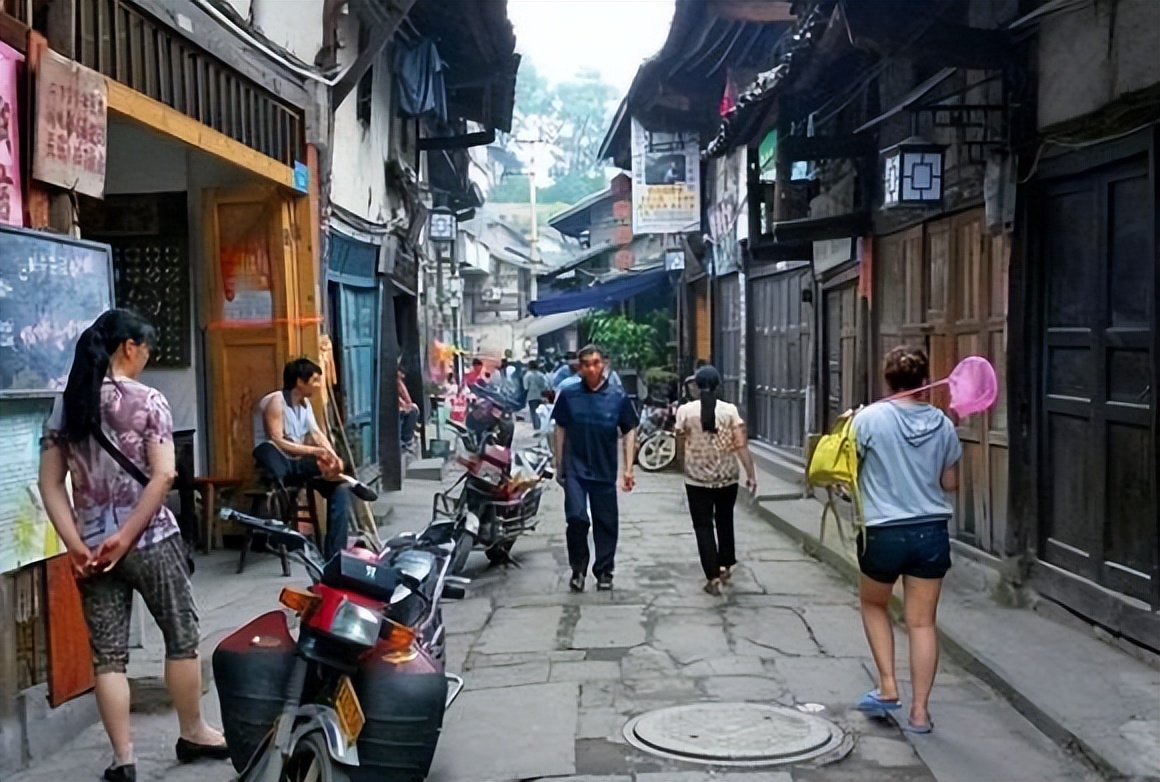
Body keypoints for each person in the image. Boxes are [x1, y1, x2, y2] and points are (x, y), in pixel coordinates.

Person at [38, 309, 229, 782]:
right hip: (150, 540)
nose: (147, 359)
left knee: (109, 657)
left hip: (91, 548)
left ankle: (123, 759)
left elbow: (49, 484)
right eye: (146, 351)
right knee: (181, 637)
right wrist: (127, 536)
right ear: (130, 348)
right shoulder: (147, 400)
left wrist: (76, 545)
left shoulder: (65, 405)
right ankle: (194, 732)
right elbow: (163, 474)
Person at [853, 346, 961, 734]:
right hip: (930, 532)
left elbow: (849, 471)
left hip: (883, 530)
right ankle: (920, 712)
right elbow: (951, 483)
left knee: (872, 604)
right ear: (923, 381)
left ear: (888, 378)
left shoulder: (868, 419)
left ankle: (887, 686)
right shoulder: (944, 424)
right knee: (922, 623)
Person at [252, 358, 374, 561]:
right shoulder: (277, 401)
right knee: (321, 465)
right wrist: (316, 452)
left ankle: (335, 553)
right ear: (300, 381)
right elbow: (277, 440)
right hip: (279, 464)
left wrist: (333, 456)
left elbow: (316, 433)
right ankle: (348, 480)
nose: (318, 385)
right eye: (315, 380)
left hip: (297, 463)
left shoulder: (304, 404)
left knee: (339, 489)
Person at [552, 345, 639, 593]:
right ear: (579, 368)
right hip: (575, 467)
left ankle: (604, 571)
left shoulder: (617, 397)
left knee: (606, 521)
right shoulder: (569, 396)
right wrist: (559, 464)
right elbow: (560, 429)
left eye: (596, 363)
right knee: (577, 518)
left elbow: (629, 429)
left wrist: (628, 468)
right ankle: (578, 570)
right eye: (586, 364)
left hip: (604, 468)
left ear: (604, 365)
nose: (591, 368)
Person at [674, 365, 758, 596]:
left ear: (696, 386)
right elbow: (740, 445)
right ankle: (726, 565)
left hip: (697, 477)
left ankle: (712, 577)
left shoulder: (685, 411)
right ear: (718, 385)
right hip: (727, 476)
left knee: (703, 526)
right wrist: (750, 473)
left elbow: (680, 440)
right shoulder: (730, 411)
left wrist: (683, 462)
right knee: (724, 519)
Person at [397, 366, 420, 449]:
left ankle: (409, 435)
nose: (403, 375)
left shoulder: (399, 382)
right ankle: (406, 438)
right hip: (396, 408)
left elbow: (406, 397)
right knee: (413, 410)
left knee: (414, 409)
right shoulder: (394, 382)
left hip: (401, 406)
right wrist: (404, 405)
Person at [523, 360, 550, 431]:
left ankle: (536, 426)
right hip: (541, 396)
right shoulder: (541, 375)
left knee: (533, 411)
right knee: (541, 411)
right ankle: (541, 425)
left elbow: (525, 387)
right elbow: (545, 386)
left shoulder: (527, 375)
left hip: (531, 396)